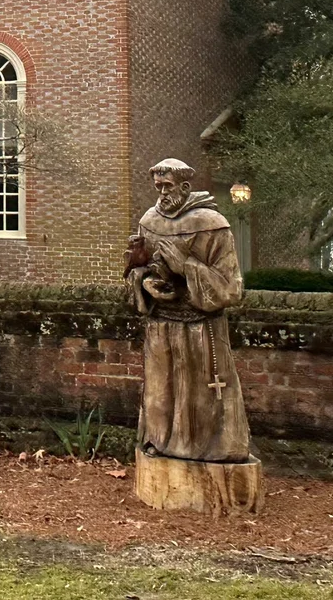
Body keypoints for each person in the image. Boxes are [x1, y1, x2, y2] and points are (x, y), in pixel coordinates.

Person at [125, 159, 252, 462]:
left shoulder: (211, 224)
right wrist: (144, 282)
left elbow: (231, 288)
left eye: (167, 187)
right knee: (161, 393)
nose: (162, 193)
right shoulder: (149, 221)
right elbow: (137, 271)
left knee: (202, 398)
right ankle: (160, 440)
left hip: (201, 328)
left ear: (184, 187)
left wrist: (186, 268)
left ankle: (213, 450)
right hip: (161, 327)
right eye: (158, 187)